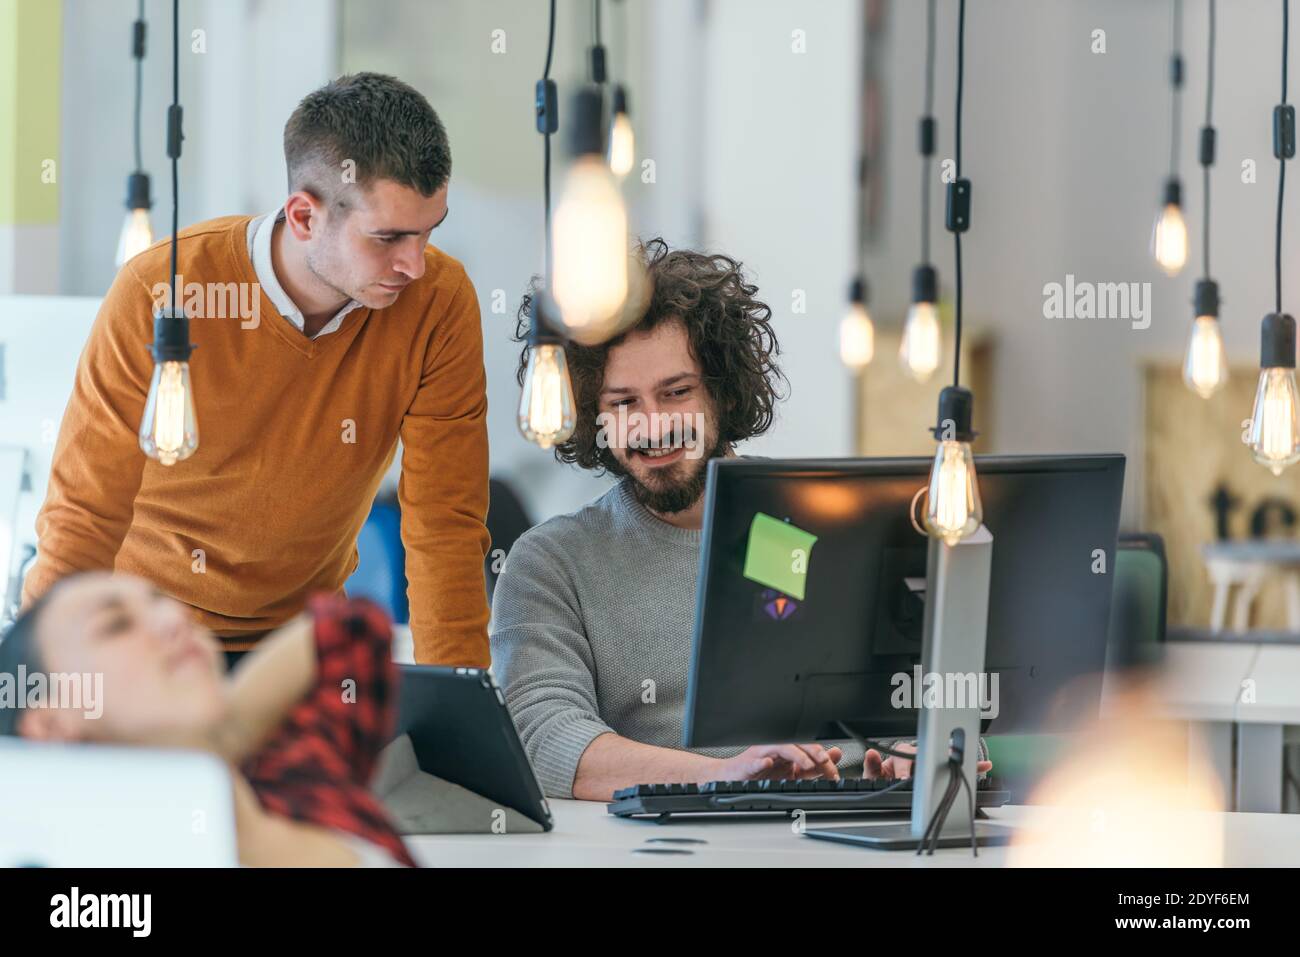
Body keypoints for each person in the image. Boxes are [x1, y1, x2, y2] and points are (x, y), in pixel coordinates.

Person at [491, 238, 994, 801]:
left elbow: (946, 701)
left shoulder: (844, 520)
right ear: (590, 415)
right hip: (678, 841)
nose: (653, 427)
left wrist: (930, 754)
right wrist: (719, 776)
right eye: (623, 403)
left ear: (722, 394)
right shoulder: (551, 563)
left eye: (676, 392)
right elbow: (544, 739)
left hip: (864, 823)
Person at [23, 73, 489, 666]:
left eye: (428, 232)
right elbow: (82, 519)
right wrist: (37, 685)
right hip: (142, 637)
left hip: (295, 650)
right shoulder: (160, 291)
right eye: (389, 237)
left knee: (386, 757)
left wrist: (462, 709)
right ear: (303, 217)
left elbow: (444, 522)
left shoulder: (440, 303)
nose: (415, 265)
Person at [0, 571, 414, 867]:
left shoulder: (293, 776)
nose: (174, 618)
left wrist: (224, 733)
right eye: (115, 625)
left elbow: (353, 628)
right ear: (52, 726)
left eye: (160, 600)